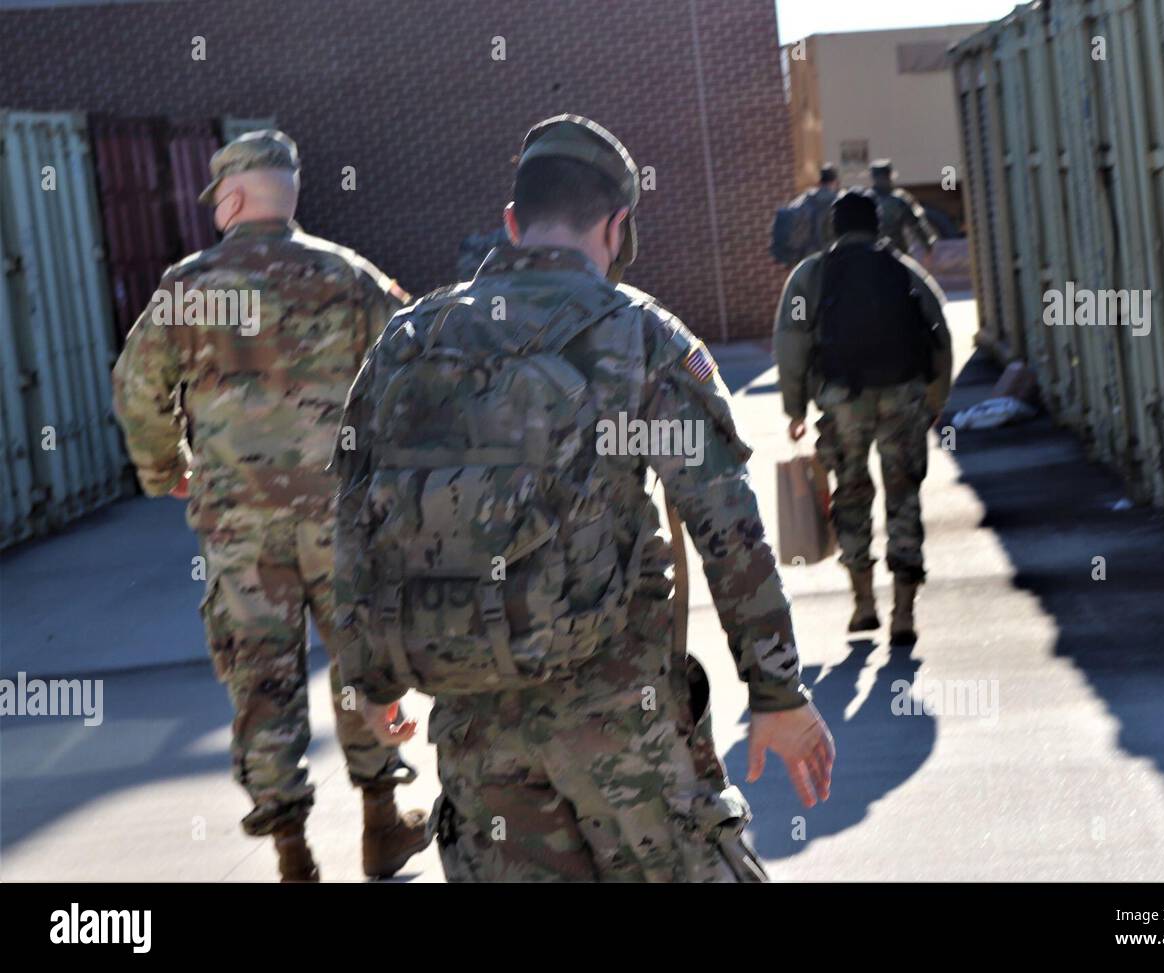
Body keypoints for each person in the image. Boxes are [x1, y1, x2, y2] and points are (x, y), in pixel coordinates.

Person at [334, 114, 835, 882]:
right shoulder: (641, 337)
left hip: (474, 731)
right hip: (620, 722)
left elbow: (355, 525)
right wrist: (777, 692)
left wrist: (369, 684)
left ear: (512, 222)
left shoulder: (407, 340)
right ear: (617, 225)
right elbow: (726, 526)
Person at [112, 129, 430, 882]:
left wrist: (167, 469)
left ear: (233, 196)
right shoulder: (349, 276)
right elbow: (414, 374)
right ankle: (382, 824)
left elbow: (136, 390)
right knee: (360, 659)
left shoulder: (187, 286)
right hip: (340, 518)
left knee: (260, 675)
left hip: (239, 527)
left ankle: (293, 855)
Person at [774, 188, 953, 642]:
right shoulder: (903, 270)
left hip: (841, 402)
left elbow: (791, 340)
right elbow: (940, 332)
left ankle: (863, 604)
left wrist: (795, 407)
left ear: (832, 228)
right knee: (903, 497)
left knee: (851, 495)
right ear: (877, 226)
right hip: (903, 397)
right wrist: (935, 399)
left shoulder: (811, 275)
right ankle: (905, 614)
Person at [867, 159, 938, 258]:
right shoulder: (899, 199)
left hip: (872, 254)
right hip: (898, 253)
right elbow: (916, 225)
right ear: (890, 176)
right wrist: (927, 246)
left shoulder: (865, 199)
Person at [772, 164, 840, 266]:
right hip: (831, 261)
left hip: (806, 262)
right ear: (835, 182)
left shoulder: (803, 200)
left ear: (819, 182)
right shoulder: (839, 202)